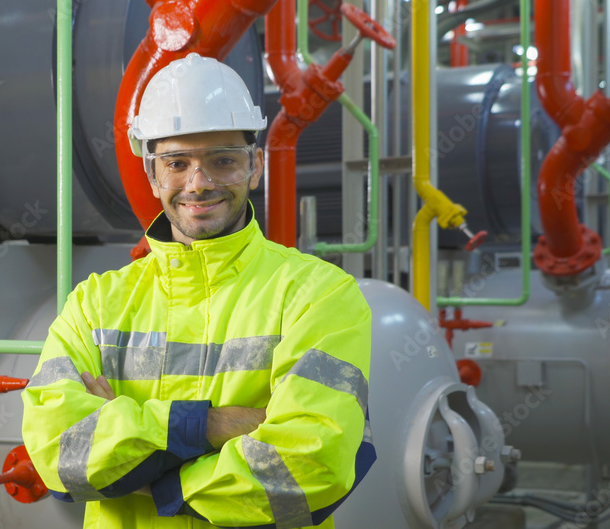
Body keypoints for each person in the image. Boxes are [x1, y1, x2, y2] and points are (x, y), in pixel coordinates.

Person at [22, 53, 374, 528]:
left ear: (255, 167)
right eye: (177, 163)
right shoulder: (95, 304)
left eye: (222, 160)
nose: (199, 183)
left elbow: (310, 467)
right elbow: (59, 450)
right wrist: (212, 425)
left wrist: (149, 475)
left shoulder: (320, 295)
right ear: (153, 175)